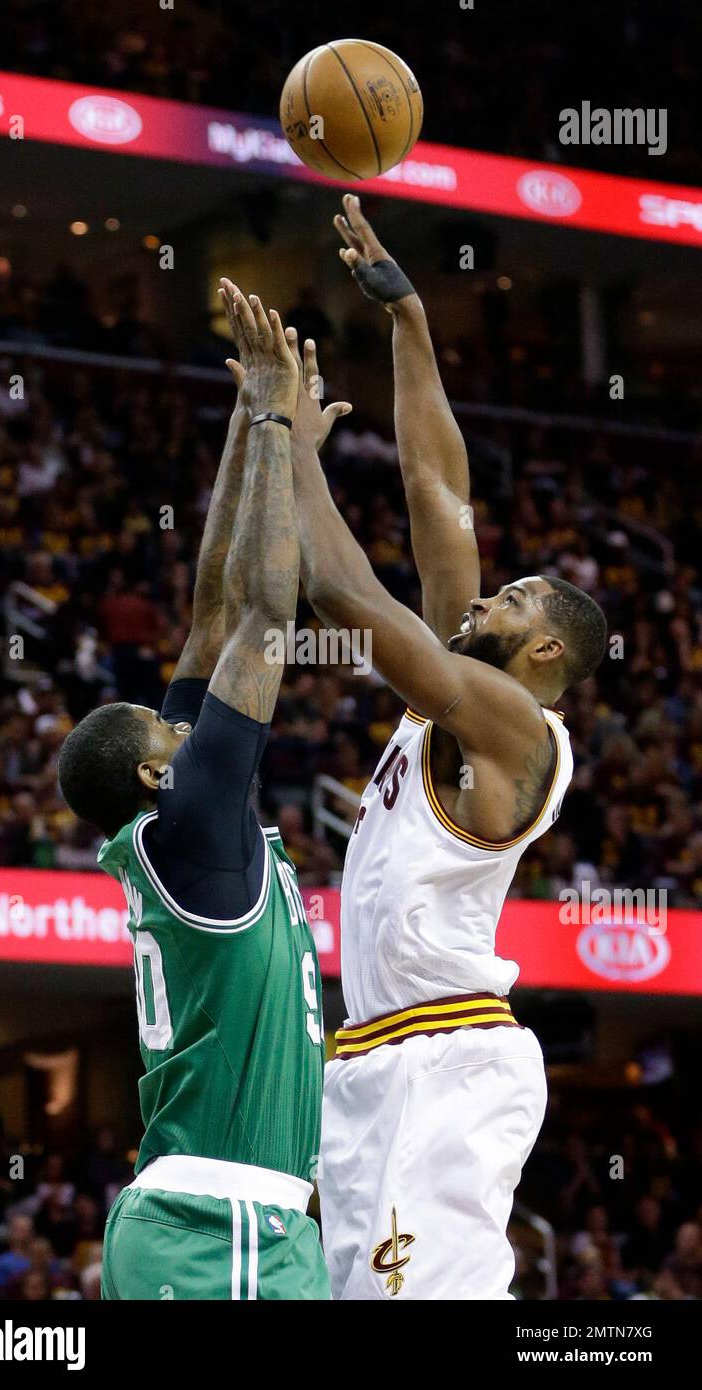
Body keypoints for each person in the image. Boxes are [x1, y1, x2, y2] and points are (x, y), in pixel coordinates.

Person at [290, 195, 608, 1300]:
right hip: (375, 1059)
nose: (490, 593)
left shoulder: (519, 729)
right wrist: (410, 321)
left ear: (548, 652)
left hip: (446, 1056)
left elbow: (345, 591)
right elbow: (437, 492)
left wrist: (291, 445)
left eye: (514, 597)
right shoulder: (460, 705)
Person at [58, 286, 333, 1301]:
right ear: (153, 771)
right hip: (224, 1222)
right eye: (171, 726)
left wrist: (243, 424)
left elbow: (215, 607)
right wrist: (268, 418)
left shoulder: (181, 824)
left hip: (219, 1215)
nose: (191, 720)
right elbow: (266, 610)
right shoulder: (197, 823)